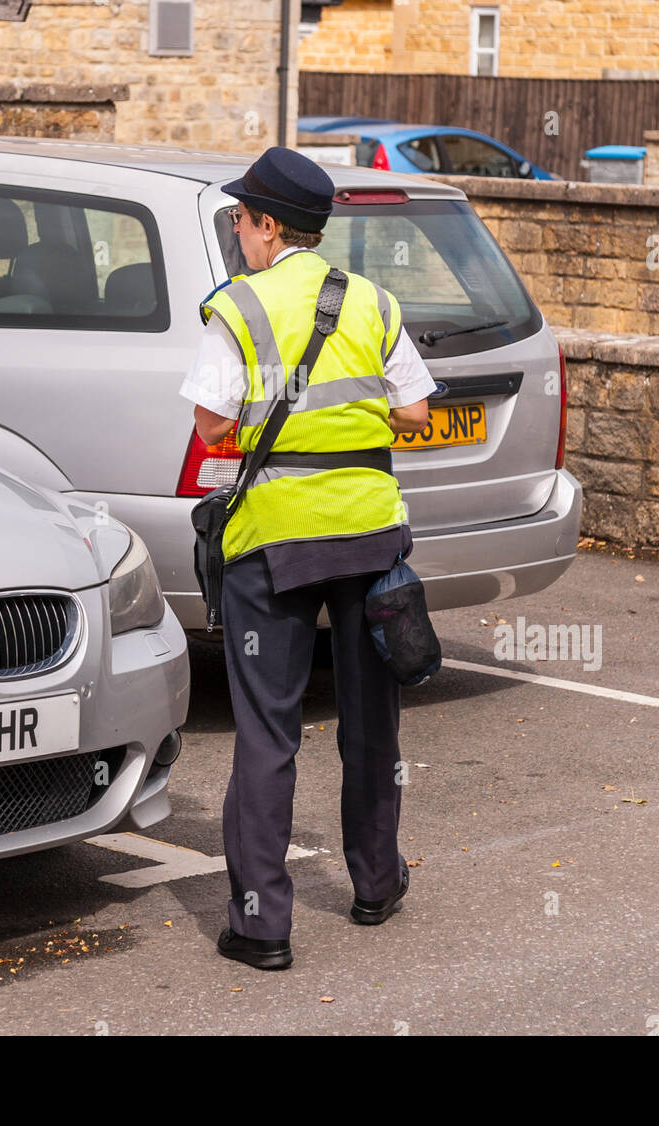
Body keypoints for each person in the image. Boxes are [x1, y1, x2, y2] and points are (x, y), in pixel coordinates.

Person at [178, 145, 435, 972]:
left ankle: (262, 927)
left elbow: (211, 428)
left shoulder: (239, 308)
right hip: (369, 536)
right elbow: (419, 413)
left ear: (267, 227)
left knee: (268, 732)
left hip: (275, 543)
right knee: (371, 723)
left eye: (242, 219)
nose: (239, 232)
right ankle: (375, 885)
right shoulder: (372, 302)